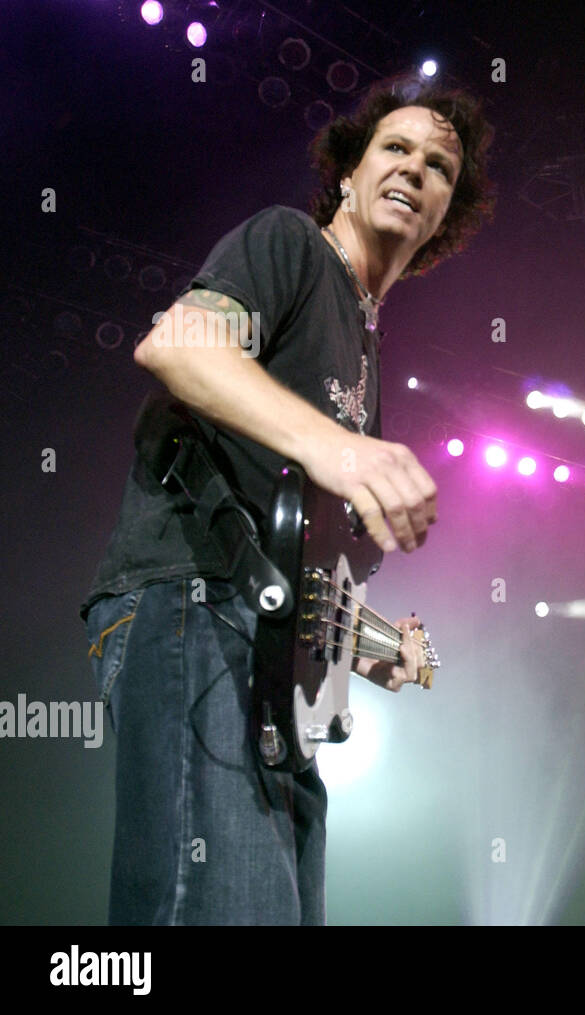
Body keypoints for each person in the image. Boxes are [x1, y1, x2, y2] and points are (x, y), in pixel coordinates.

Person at [79, 78, 493, 925]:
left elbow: (298, 537)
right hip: (191, 604)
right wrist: (341, 447)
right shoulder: (289, 245)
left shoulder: (366, 348)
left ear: (448, 214)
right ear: (348, 172)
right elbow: (177, 344)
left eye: (440, 166)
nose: (415, 169)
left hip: (265, 655)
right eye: (395, 148)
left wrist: (360, 644)